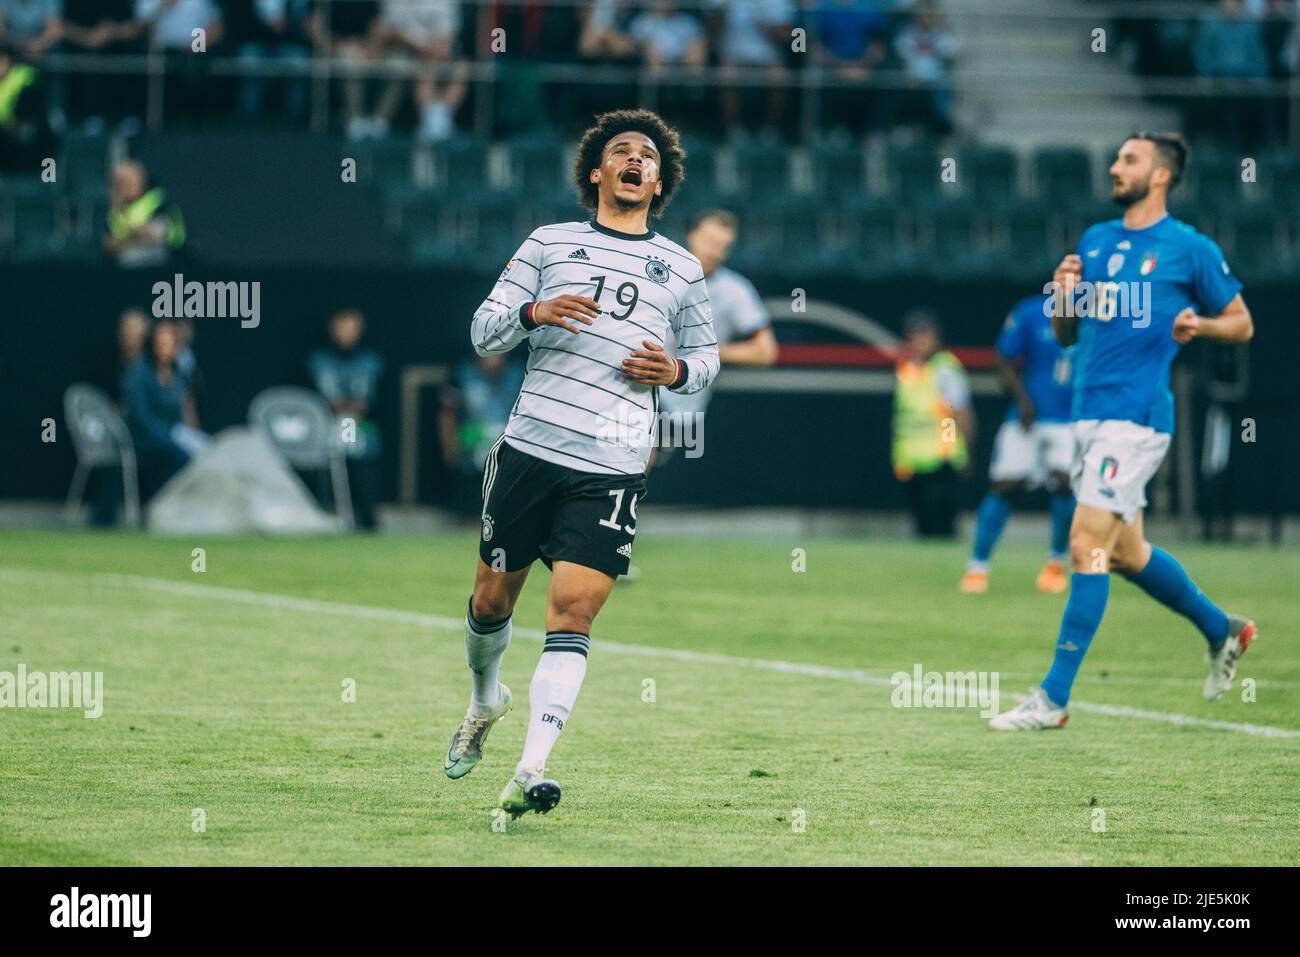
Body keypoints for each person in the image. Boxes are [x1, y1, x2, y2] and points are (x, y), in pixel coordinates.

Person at [443, 108, 718, 819]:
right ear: (596, 172)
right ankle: (483, 702)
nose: (636, 161)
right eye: (622, 151)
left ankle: (530, 768)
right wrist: (534, 312)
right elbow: (481, 333)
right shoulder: (548, 242)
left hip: (613, 465)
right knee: (489, 601)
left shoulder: (682, 269)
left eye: (648, 157)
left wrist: (678, 367)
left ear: (659, 183)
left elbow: (708, 360)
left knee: (573, 611)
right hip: (531, 450)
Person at [991, 133, 1257, 731]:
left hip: (1136, 419)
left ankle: (1053, 699)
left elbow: (1242, 324)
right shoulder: (1096, 241)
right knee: (1125, 554)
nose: (1114, 167)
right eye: (1116, 158)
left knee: (1085, 541)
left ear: (1160, 176)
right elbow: (1065, 336)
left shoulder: (1188, 249)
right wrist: (1062, 297)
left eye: (1129, 160)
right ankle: (1225, 629)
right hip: (1088, 414)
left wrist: (1202, 325)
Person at [960, 293, 1075, 595]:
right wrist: (1022, 399)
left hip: (1072, 418)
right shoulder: (1031, 311)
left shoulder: (1101, 313)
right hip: (1028, 416)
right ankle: (977, 566)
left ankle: (1055, 563)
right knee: (1005, 485)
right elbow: (1002, 357)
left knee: (1066, 484)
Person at [655, 208, 777, 462]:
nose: (714, 251)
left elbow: (765, 352)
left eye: (723, 246)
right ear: (691, 235)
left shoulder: (736, 290)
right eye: (709, 241)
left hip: (682, 399)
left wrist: (706, 350)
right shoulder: (659, 274)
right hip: (639, 386)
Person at [891, 310, 973, 538]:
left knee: (941, 526)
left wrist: (956, 450)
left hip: (941, 460)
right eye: (914, 336)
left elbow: (957, 413)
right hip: (913, 461)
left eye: (924, 335)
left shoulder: (944, 368)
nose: (919, 341)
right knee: (922, 526)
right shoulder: (907, 369)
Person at [307, 307, 385, 530]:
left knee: (360, 450)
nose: (347, 333)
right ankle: (329, 516)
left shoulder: (371, 361)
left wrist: (353, 410)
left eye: (352, 327)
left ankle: (368, 522)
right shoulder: (318, 360)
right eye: (342, 327)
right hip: (327, 428)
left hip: (361, 429)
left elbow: (374, 402)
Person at [438, 353, 525, 520]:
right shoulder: (462, 372)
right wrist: (449, 450)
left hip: (508, 460)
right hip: (470, 460)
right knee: (470, 517)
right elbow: (447, 415)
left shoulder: (519, 374)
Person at [121, 319, 199, 501]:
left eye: (170, 343)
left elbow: (179, 416)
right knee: (181, 456)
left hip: (172, 434)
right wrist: (170, 439)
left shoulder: (178, 375)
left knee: (206, 451)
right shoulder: (139, 374)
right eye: (161, 343)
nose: (165, 348)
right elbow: (141, 419)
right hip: (143, 440)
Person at [103, 159, 187, 267]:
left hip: (165, 262)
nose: (123, 187)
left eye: (128, 181)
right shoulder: (115, 209)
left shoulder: (158, 200)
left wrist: (127, 237)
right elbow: (108, 244)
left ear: (141, 180)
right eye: (119, 183)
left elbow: (154, 234)